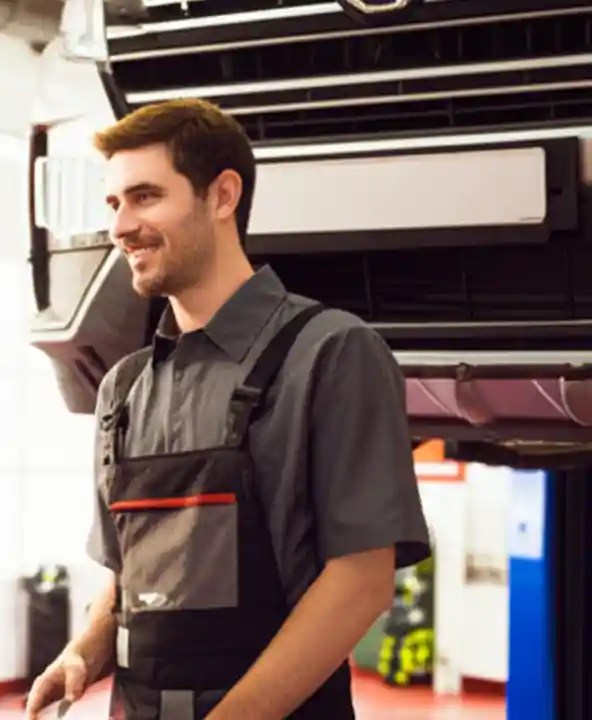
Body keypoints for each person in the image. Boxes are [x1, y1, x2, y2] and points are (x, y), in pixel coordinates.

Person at [24, 99, 431, 720]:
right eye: (115, 204)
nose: (120, 226)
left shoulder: (332, 352)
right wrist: (84, 648)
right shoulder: (124, 388)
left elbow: (360, 582)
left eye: (145, 197)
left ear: (222, 196)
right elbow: (130, 570)